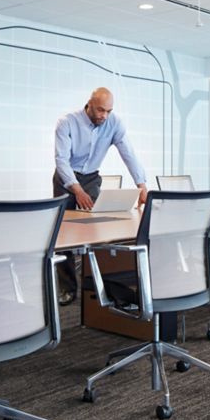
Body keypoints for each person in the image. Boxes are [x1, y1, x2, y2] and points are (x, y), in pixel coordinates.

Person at [53, 87, 148, 305]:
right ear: (89, 104)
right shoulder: (67, 123)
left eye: (108, 111)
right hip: (65, 178)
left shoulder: (114, 123)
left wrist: (142, 185)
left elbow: (129, 154)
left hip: (91, 177)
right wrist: (76, 190)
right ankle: (67, 289)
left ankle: (95, 282)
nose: (103, 115)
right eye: (100, 110)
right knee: (64, 233)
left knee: (96, 228)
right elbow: (61, 161)